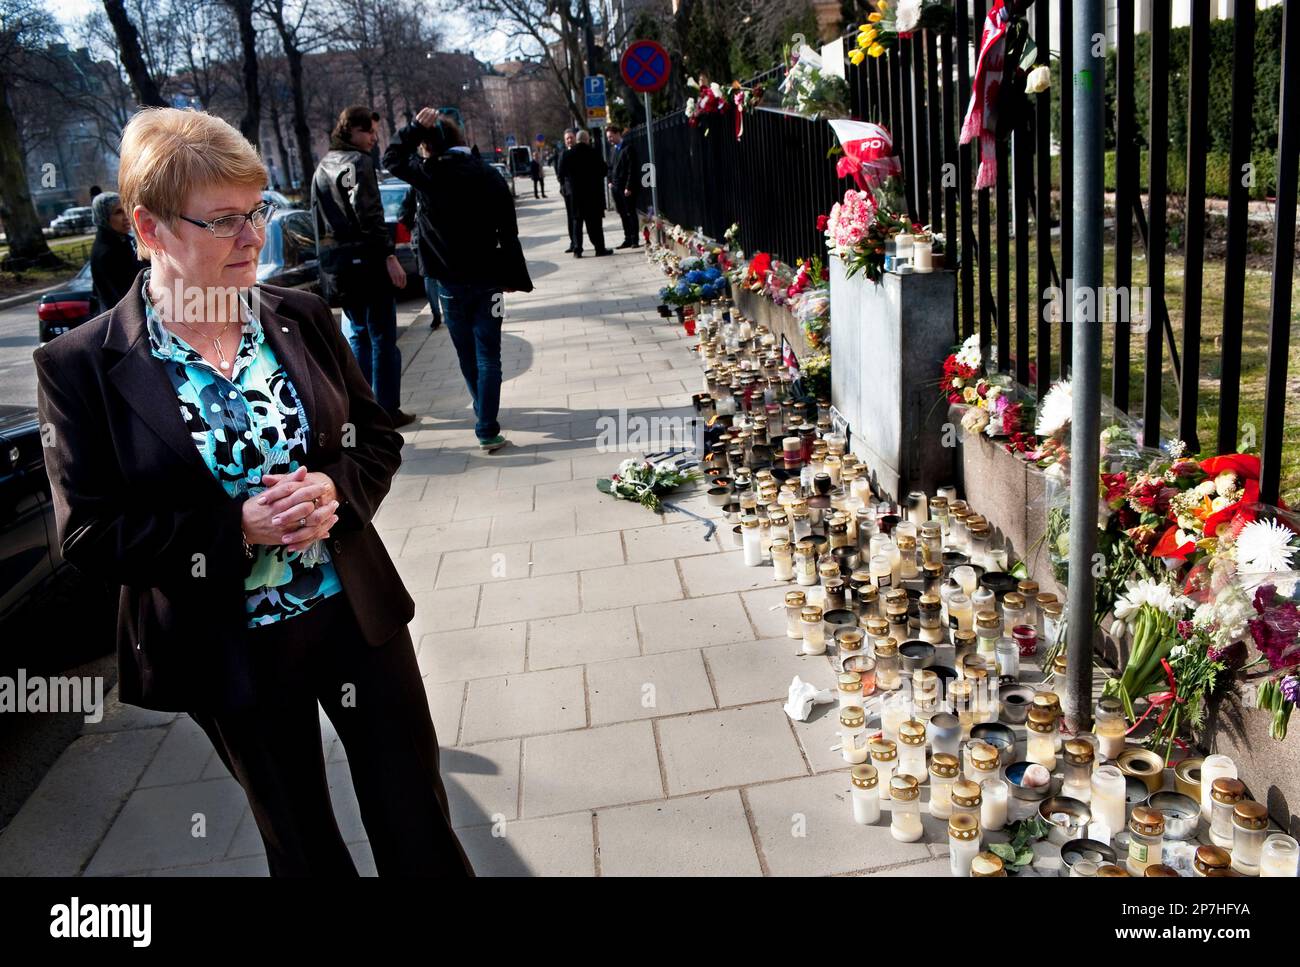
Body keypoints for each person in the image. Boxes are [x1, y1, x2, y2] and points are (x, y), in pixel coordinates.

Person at [34, 107, 471, 877]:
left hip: (354, 614)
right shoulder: (80, 366)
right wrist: (233, 529)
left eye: (258, 210)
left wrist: (338, 493)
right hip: (227, 646)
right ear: (150, 226)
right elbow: (87, 534)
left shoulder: (299, 315)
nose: (253, 237)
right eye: (225, 219)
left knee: (417, 821)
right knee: (301, 846)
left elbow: (377, 437)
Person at [384, 109, 533, 453]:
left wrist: (413, 129)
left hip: (449, 282)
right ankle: (486, 424)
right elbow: (508, 231)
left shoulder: (429, 174)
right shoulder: (488, 175)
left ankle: (484, 415)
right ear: (461, 140)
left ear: (430, 145)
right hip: (488, 281)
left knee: (466, 353)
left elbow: (392, 158)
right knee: (488, 354)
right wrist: (512, 275)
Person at [311, 106, 415, 428]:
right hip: (368, 263)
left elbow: (318, 221)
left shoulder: (323, 166)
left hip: (340, 266)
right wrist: (389, 256)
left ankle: (362, 408)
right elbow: (368, 214)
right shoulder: (358, 162)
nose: (373, 138)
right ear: (351, 131)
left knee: (357, 335)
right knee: (383, 338)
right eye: (368, 131)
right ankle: (386, 410)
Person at [398, 166, 442, 332]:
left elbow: (403, 215)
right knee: (443, 276)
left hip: (420, 236)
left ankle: (435, 311)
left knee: (428, 275)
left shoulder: (414, 187)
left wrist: (413, 227)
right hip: (437, 237)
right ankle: (446, 309)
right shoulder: (439, 183)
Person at [88, 191, 147, 312]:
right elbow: (120, 298)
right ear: (103, 217)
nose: (126, 217)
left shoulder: (125, 241)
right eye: (118, 212)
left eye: (126, 210)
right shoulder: (106, 253)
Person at [556, 129, 611, 258]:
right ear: (587, 140)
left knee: (577, 223)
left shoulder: (568, 155)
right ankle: (599, 248)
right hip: (592, 195)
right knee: (595, 224)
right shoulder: (593, 153)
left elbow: (561, 173)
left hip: (576, 195)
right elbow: (604, 171)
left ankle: (577, 249)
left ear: (577, 139)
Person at [605, 125, 640, 249]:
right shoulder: (613, 150)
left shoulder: (628, 148)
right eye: (607, 137)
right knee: (622, 214)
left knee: (630, 213)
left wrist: (628, 186)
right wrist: (609, 181)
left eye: (610, 136)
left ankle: (634, 239)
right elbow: (609, 167)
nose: (609, 139)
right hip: (615, 187)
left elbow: (632, 169)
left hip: (626, 188)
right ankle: (627, 238)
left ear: (617, 134)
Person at [555, 129, 579, 253]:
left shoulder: (580, 151)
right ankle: (573, 243)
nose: (569, 140)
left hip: (581, 191)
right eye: (567, 139)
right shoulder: (562, 154)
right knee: (571, 218)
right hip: (569, 192)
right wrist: (564, 186)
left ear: (575, 138)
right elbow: (559, 173)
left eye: (571, 137)